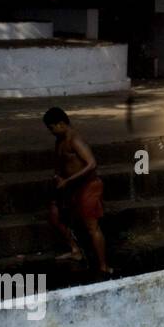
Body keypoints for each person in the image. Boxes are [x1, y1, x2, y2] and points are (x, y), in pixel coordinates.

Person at [44, 107, 112, 277]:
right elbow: (60, 162)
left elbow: (91, 164)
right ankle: (75, 250)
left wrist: (67, 180)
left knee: (92, 227)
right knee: (54, 214)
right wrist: (57, 176)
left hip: (88, 186)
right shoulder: (59, 139)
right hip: (69, 186)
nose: (51, 131)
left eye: (52, 127)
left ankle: (104, 266)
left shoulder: (75, 139)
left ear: (61, 124)